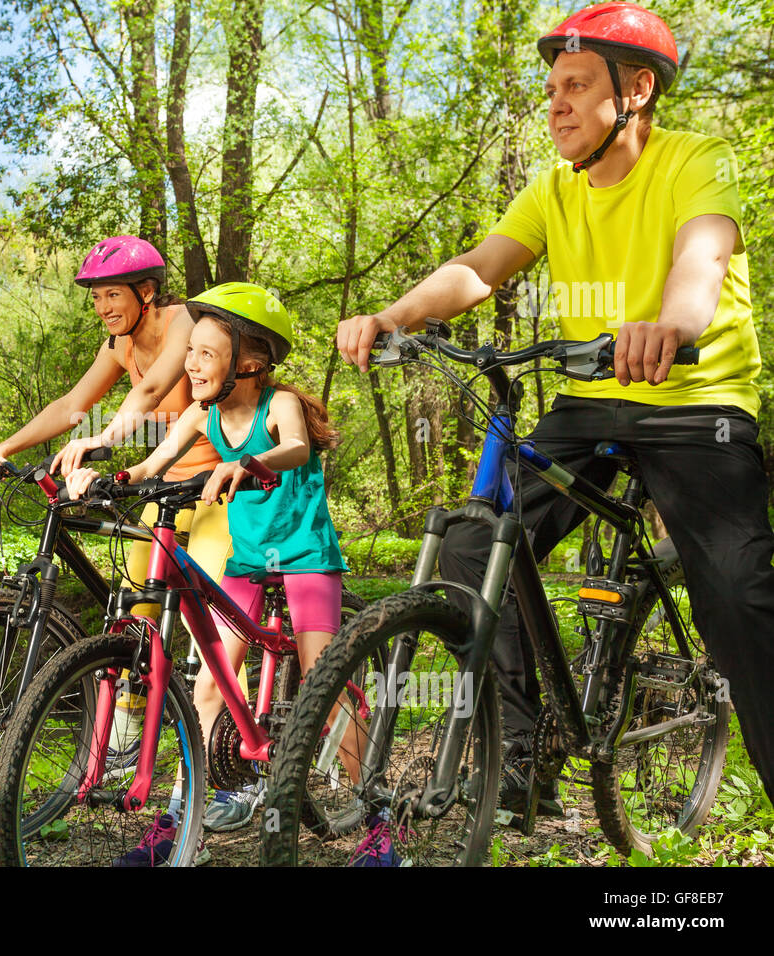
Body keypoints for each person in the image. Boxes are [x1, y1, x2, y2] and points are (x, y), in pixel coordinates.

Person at [333, 1, 774, 820]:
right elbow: (480, 267)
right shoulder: (552, 189)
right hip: (588, 406)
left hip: (692, 399)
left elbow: (702, 253)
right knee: (473, 540)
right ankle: (525, 753)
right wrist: (398, 314)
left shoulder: (693, 160)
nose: (556, 103)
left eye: (576, 85)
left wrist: (671, 326)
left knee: (742, 598)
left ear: (636, 91)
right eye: (551, 88)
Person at [68, 282, 366, 863]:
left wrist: (248, 462)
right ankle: (187, 820)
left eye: (206, 353)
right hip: (248, 561)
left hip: (305, 554)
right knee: (207, 684)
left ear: (250, 363)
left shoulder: (277, 406)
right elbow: (153, 462)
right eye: (190, 352)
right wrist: (108, 479)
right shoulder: (202, 415)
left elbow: (298, 449)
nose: (191, 363)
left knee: (324, 685)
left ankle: (364, 810)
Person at [0, 233, 234, 620]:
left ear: (145, 292)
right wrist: (2, 449)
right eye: (96, 297)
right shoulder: (118, 345)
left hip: (220, 486)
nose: (102, 307)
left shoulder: (186, 323)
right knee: (131, 613)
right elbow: (70, 405)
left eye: (112, 294)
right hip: (166, 484)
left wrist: (105, 437)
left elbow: (153, 389)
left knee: (208, 621)